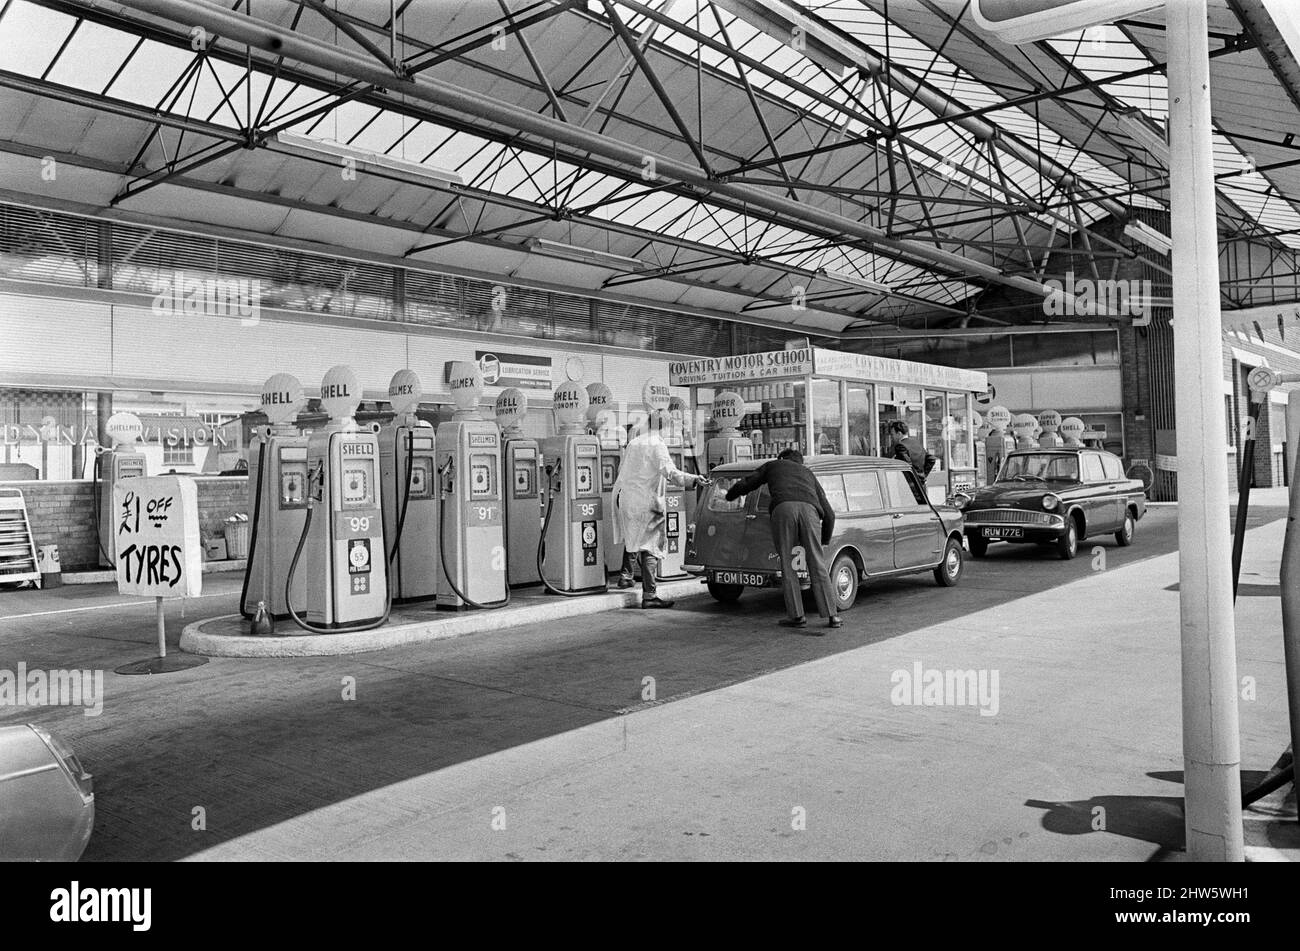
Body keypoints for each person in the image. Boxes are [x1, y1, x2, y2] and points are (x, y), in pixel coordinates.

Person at [724, 449, 842, 632]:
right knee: (817, 564)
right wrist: (823, 541)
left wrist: (729, 496)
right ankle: (833, 615)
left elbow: (748, 483)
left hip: (784, 509)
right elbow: (830, 514)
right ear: (800, 463)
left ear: (781, 458)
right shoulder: (808, 473)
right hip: (810, 512)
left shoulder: (773, 465)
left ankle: (797, 616)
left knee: (789, 564)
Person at [612, 410, 710, 609]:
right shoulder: (657, 444)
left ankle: (626, 576)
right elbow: (670, 472)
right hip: (646, 501)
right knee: (651, 547)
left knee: (633, 538)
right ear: (666, 426)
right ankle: (650, 595)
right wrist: (694, 479)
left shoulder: (634, 443)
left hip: (626, 499)